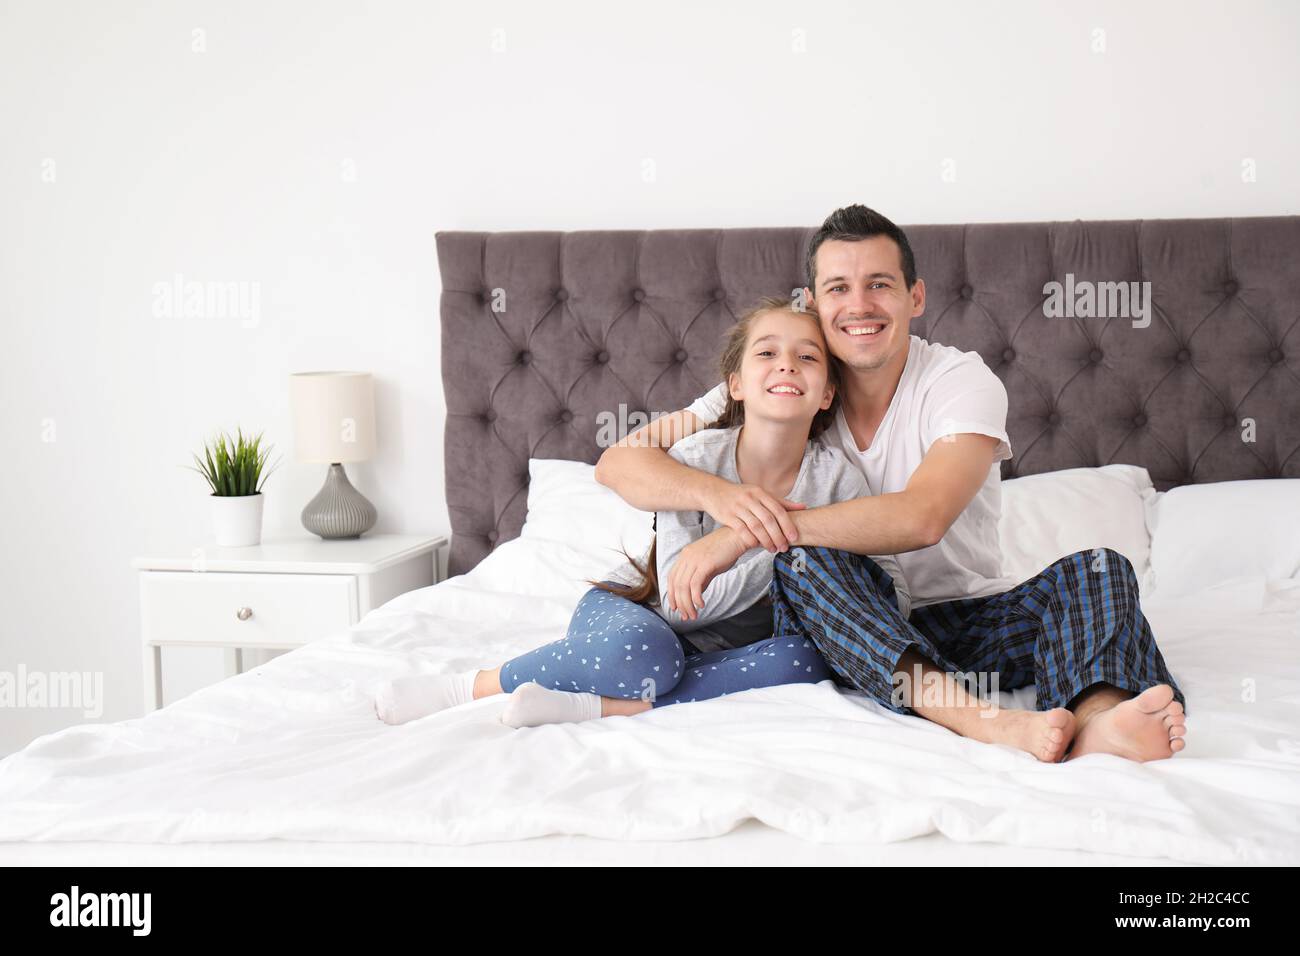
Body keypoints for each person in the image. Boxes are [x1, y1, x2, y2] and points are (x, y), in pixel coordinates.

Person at [594, 204, 1188, 764]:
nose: (859, 305)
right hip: (834, 621)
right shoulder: (784, 376)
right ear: (814, 301)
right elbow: (620, 462)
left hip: (961, 620)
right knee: (807, 561)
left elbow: (923, 517)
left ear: (915, 296)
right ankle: (982, 721)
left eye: (879, 284)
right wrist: (724, 501)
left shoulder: (959, 382)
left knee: (1101, 569)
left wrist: (743, 535)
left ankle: (1100, 721)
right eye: (838, 288)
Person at [374, 296, 910, 728]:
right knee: (647, 655)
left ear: (826, 394)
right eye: (766, 353)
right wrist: (776, 541)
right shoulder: (694, 460)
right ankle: (473, 685)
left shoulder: (839, 478)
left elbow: (890, 593)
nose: (787, 364)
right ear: (737, 385)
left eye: (808, 356)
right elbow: (684, 608)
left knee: (811, 662)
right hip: (641, 613)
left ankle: (598, 706)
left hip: (740, 647)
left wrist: (753, 539)